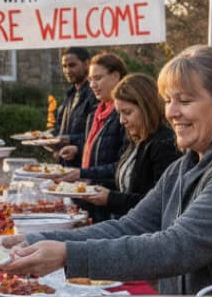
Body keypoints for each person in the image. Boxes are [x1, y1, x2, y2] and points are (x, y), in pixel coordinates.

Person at [5, 45, 212, 295]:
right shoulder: (184, 167)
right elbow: (130, 227)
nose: (172, 113)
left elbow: (178, 247)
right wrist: (34, 241)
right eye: (168, 101)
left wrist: (67, 255)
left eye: (184, 101)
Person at [75, 73, 179, 216]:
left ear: (147, 108)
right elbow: (127, 184)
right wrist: (94, 188)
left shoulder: (164, 144)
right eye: (119, 113)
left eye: (127, 112)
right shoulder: (136, 140)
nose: (122, 120)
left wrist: (110, 198)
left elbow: (158, 204)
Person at [58, 52, 128, 221]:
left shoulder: (124, 116)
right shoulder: (95, 114)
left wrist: (83, 172)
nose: (92, 85)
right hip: (92, 200)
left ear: (116, 76)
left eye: (98, 78)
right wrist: (77, 149)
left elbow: (122, 165)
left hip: (113, 206)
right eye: (90, 80)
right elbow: (99, 147)